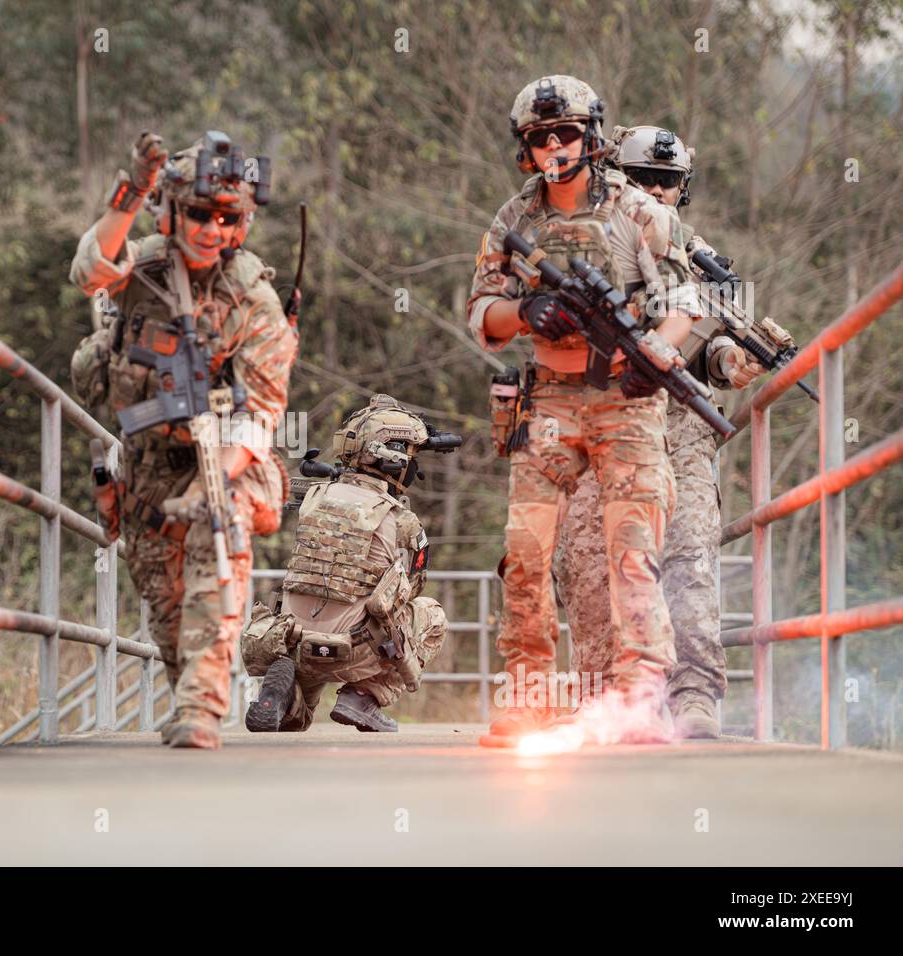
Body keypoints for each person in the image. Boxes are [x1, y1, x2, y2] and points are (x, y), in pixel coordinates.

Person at [467, 76, 706, 746]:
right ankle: (529, 691)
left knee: (632, 551)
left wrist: (656, 350)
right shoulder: (513, 219)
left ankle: (641, 696)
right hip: (550, 398)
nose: (553, 147)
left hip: (627, 402)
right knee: (526, 549)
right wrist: (529, 312)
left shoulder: (639, 212)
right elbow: (481, 311)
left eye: (565, 132)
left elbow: (690, 297)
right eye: (539, 137)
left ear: (592, 136)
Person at [69, 130, 298, 749]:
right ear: (170, 211)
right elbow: (89, 269)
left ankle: (201, 711)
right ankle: (187, 699)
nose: (211, 229)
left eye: (228, 218)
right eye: (199, 213)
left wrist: (217, 479)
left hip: (225, 454)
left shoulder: (252, 296)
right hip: (146, 461)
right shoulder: (144, 262)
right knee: (166, 609)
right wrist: (133, 186)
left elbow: (264, 409)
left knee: (213, 558)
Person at [552, 125, 778, 739]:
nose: (656, 190)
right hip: (598, 422)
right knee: (591, 560)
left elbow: (714, 356)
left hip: (676, 425)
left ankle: (695, 694)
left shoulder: (696, 256)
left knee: (689, 558)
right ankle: (606, 700)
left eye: (669, 181)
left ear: (684, 187)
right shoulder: (591, 234)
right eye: (643, 178)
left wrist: (740, 362)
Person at [241, 395, 450, 733]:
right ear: (394, 460)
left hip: (294, 642)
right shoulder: (402, 520)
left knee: (296, 721)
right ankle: (363, 696)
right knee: (431, 614)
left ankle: (281, 695)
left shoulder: (314, 498)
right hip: (354, 650)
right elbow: (414, 587)